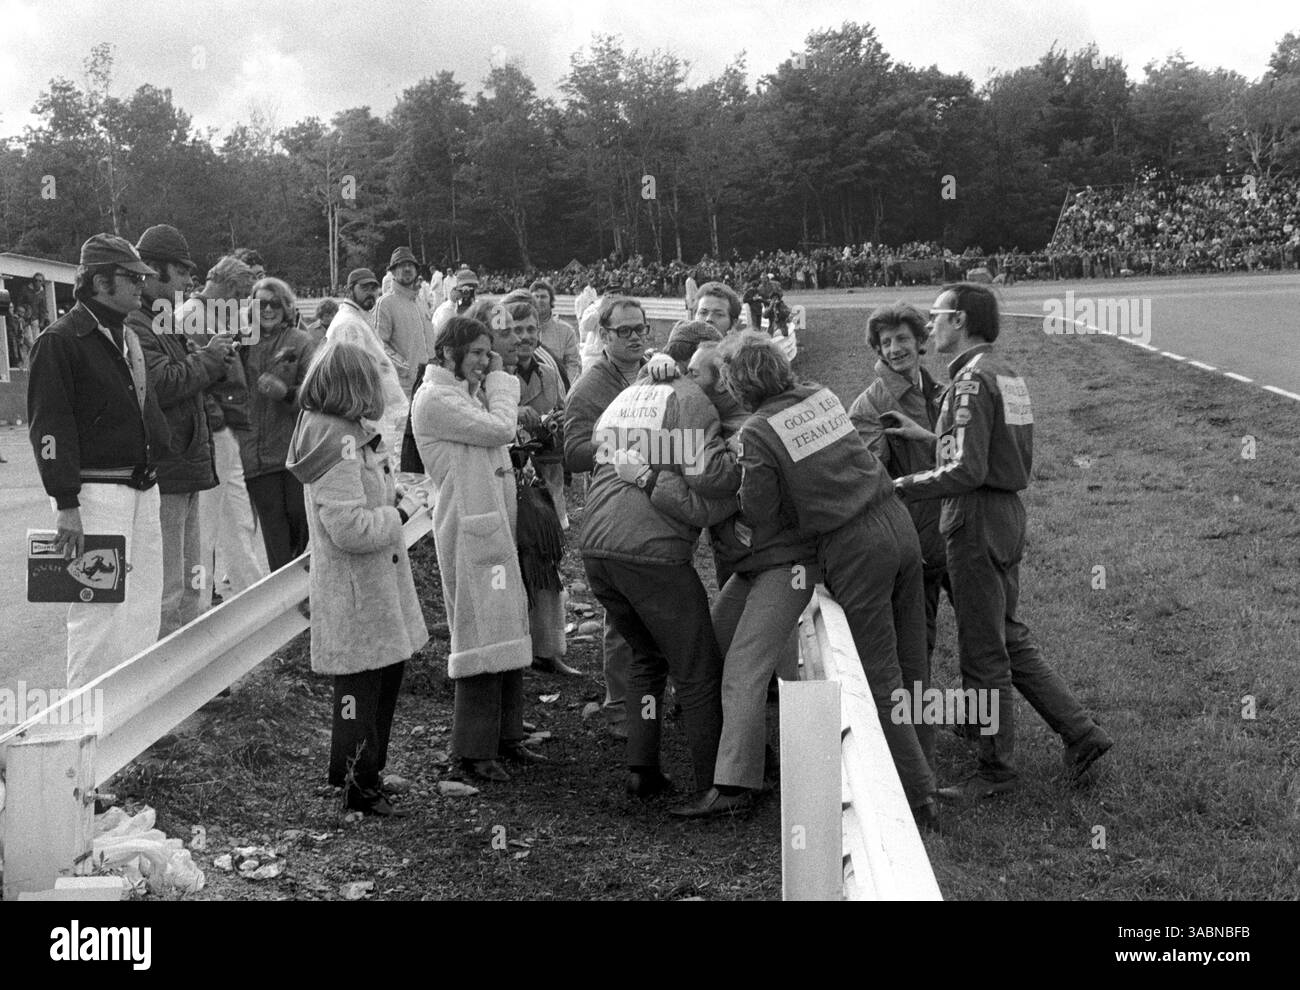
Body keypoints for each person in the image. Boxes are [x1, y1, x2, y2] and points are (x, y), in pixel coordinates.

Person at [889, 283, 1113, 800]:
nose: (929, 326)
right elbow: (991, 448)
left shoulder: (968, 382)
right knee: (1008, 635)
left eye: (936, 316)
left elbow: (966, 470)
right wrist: (927, 438)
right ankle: (1080, 732)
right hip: (1007, 513)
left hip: (974, 517)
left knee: (983, 649)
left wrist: (899, 487)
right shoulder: (1005, 373)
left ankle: (996, 770)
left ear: (961, 320)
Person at [716, 331, 939, 826]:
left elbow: (762, 511)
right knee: (912, 660)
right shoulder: (821, 394)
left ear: (739, 384)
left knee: (879, 673)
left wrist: (741, 468)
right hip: (897, 521)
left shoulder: (756, 430)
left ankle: (919, 798)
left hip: (854, 544)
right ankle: (924, 765)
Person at [578, 297, 737, 799]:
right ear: (696, 364)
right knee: (698, 670)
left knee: (646, 658)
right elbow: (710, 480)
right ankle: (718, 783)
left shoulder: (633, 394)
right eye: (720, 366)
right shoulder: (690, 399)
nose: (727, 377)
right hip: (649, 552)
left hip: (598, 548)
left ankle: (641, 767)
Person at [287, 341, 429, 817]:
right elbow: (348, 528)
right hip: (357, 586)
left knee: (379, 678)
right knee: (361, 687)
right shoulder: (336, 440)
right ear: (356, 385)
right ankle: (357, 783)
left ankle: (364, 772)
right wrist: (401, 511)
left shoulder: (339, 430)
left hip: (369, 585)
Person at [26, 234, 170, 687]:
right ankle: (83, 725)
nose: (143, 286)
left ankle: (131, 720)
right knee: (99, 609)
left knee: (144, 605)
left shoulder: (125, 335)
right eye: (132, 277)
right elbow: (49, 430)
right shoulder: (60, 341)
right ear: (100, 281)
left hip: (142, 488)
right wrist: (66, 502)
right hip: (94, 495)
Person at [411, 315, 546, 783]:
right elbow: (500, 429)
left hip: (491, 526)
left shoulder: (464, 393)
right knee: (478, 632)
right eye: (477, 354)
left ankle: (507, 736)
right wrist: (505, 384)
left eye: (489, 354)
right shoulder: (436, 399)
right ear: (448, 353)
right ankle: (472, 750)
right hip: (468, 530)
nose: (486, 363)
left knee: (506, 622)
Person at [128, 224, 234, 637]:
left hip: (183, 465)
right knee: (169, 587)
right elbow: (162, 384)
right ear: (154, 270)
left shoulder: (162, 320)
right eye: (183, 270)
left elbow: (182, 379)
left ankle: (193, 680)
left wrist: (212, 360)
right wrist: (208, 360)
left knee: (192, 582)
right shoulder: (137, 324)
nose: (191, 280)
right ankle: (172, 687)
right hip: (167, 468)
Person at [563, 295, 648, 740]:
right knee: (622, 611)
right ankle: (619, 706)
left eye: (641, 329)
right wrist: (620, 446)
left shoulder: (654, 370)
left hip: (654, 505)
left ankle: (646, 698)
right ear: (603, 336)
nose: (635, 338)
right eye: (624, 331)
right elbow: (572, 452)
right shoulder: (591, 386)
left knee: (651, 605)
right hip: (613, 508)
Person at [848, 302, 950, 660]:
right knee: (917, 641)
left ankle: (979, 714)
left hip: (957, 527)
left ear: (920, 339)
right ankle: (914, 715)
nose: (895, 349)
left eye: (902, 338)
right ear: (877, 348)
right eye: (886, 342)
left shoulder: (941, 391)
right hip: (916, 541)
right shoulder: (869, 406)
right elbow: (870, 481)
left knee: (987, 632)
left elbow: (964, 455)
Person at [498, 290, 577, 679]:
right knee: (515, 564)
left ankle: (549, 648)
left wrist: (555, 427)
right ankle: (517, 651)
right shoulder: (495, 375)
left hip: (545, 479)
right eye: (516, 329)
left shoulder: (548, 370)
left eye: (531, 328)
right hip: (508, 484)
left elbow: (564, 416)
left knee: (548, 563)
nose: (525, 337)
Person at [185, 256, 269, 601]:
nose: (246, 303)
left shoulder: (215, 314)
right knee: (204, 527)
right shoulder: (192, 316)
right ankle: (198, 605)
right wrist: (215, 417)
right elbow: (192, 374)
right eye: (244, 294)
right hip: (211, 431)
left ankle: (253, 596)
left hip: (225, 428)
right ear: (231, 288)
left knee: (238, 520)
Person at [239, 277, 315, 570]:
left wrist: (286, 394)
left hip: (294, 451)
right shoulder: (241, 342)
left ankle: (301, 588)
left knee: (300, 520)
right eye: (260, 303)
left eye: (274, 303)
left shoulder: (300, 341)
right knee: (274, 532)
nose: (267, 309)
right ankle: (283, 597)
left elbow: (316, 393)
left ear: (285, 307)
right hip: (255, 454)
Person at [328, 268, 408, 468]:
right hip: (367, 420)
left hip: (379, 414)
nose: (371, 292)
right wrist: (364, 425)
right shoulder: (349, 324)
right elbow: (351, 378)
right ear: (349, 290)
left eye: (374, 288)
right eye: (364, 287)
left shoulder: (360, 318)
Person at [373, 247, 436, 436]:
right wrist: (406, 367)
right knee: (403, 439)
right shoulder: (385, 304)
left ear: (417, 271)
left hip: (428, 382)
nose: (407, 269)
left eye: (410, 265)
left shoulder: (419, 301)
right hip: (403, 387)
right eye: (401, 266)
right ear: (392, 272)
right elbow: (378, 347)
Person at [530, 278, 581, 388]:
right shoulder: (520, 330)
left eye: (543, 297)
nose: (539, 300)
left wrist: (564, 387)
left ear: (551, 300)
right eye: (536, 297)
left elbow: (573, 364)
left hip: (558, 391)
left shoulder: (566, 331)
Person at [431, 266, 479, 334]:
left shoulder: (477, 309)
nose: (467, 292)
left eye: (472, 288)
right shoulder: (446, 311)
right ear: (458, 288)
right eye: (465, 288)